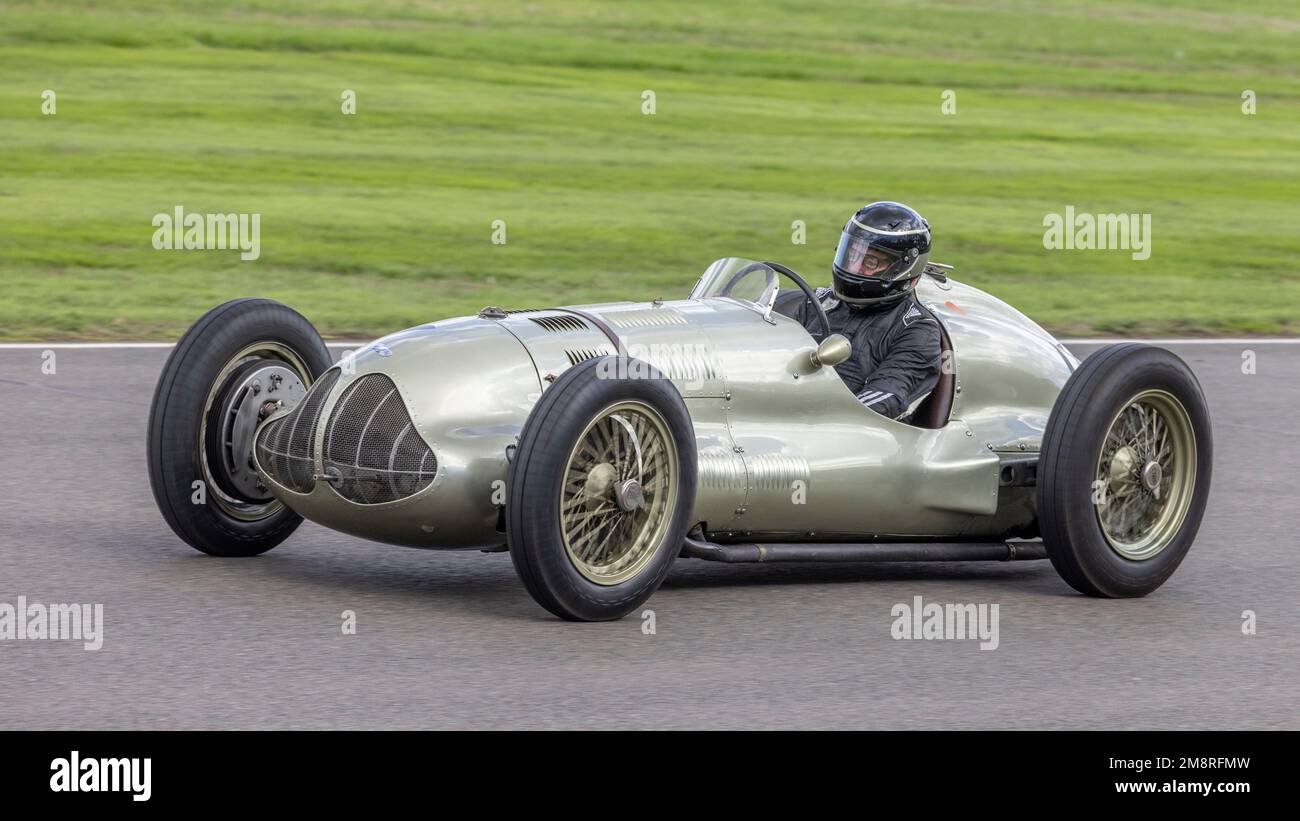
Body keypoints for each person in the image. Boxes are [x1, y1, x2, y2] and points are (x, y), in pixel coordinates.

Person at [776, 201, 943, 420]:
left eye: (871, 261)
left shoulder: (917, 332)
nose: (855, 268)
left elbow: (883, 401)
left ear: (904, 269)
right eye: (852, 254)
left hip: (848, 439)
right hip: (785, 414)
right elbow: (774, 360)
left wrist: (809, 419)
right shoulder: (819, 302)